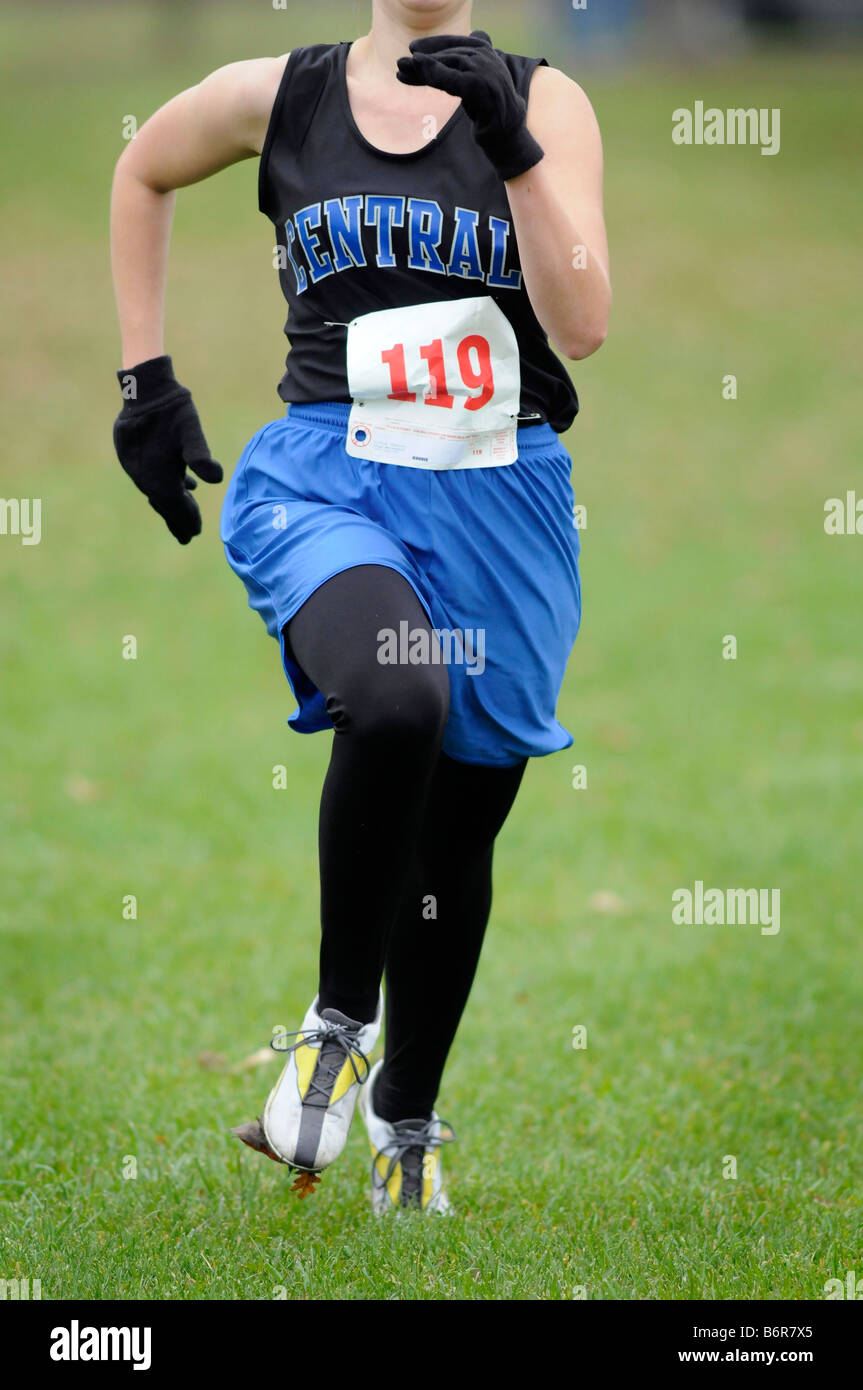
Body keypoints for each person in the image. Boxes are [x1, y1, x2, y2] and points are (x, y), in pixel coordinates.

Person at [110, 0, 610, 1214]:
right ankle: (334, 1026)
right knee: (392, 693)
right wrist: (145, 379)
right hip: (325, 480)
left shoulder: (544, 101)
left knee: (456, 838)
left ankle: (405, 1117)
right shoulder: (279, 96)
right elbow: (141, 168)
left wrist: (518, 153)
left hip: (501, 496)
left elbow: (583, 325)